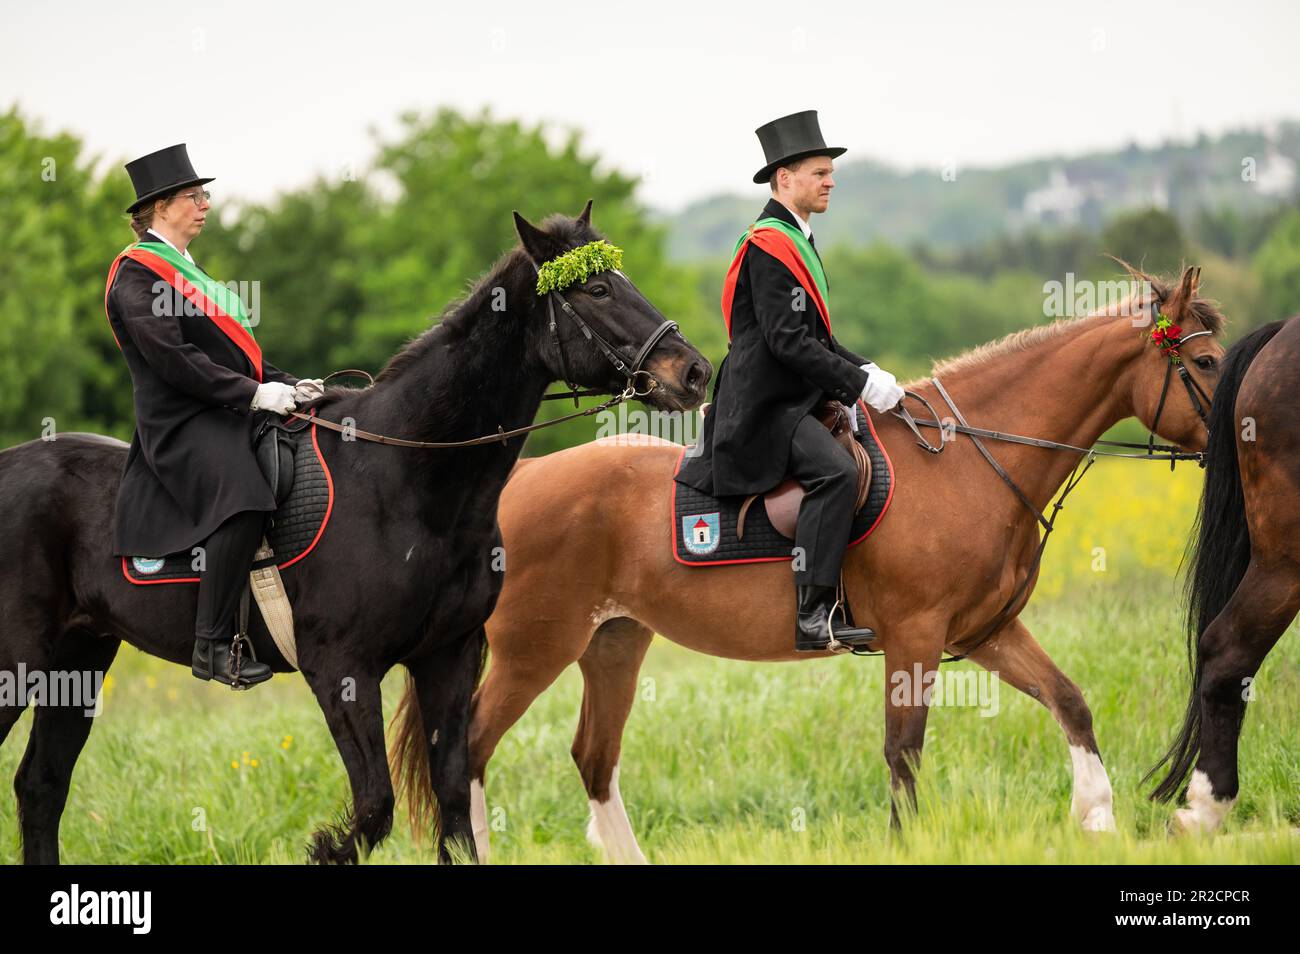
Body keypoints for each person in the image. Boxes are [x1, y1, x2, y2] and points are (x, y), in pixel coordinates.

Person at [675, 111, 906, 652]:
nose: (831, 181)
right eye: (820, 172)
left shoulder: (798, 237)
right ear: (785, 179)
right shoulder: (769, 243)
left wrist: (866, 369)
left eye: (831, 173)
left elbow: (816, 338)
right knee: (835, 472)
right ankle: (812, 616)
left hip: (792, 394)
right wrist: (855, 384)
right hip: (765, 405)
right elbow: (787, 343)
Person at [104, 143, 324, 687]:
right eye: (192, 195)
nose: (204, 203)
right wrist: (253, 395)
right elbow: (175, 361)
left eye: (203, 194)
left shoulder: (191, 270)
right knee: (245, 498)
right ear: (159, 208)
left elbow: (239, 355)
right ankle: (212, 646)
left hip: (222, 408)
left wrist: (290, 384)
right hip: (181, 424)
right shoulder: (136, 275)